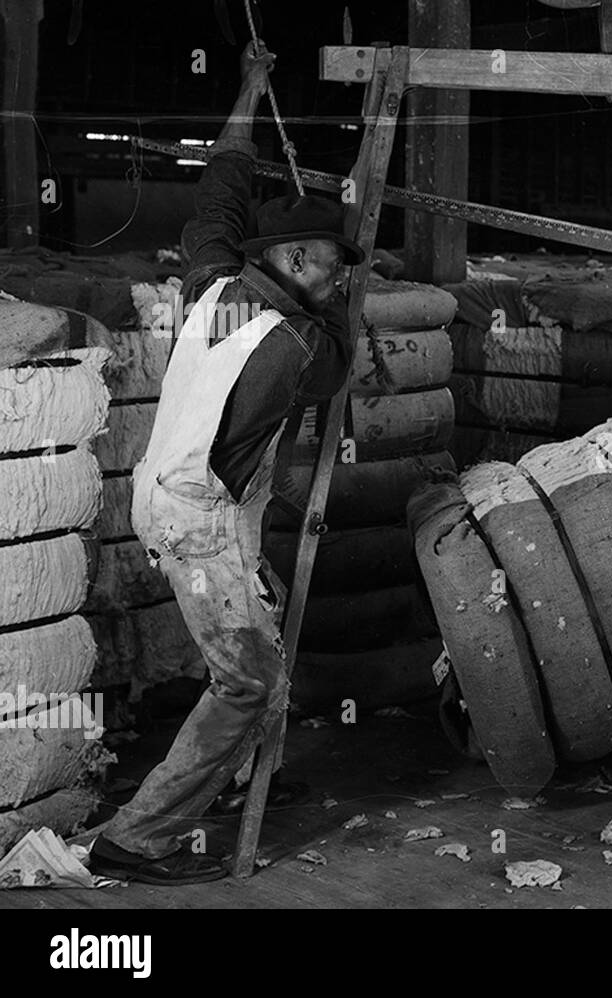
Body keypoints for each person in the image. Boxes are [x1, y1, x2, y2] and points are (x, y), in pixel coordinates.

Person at [88, 42, 363, 885]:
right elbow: (343, 366)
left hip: (175, 496)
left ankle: (244, 781)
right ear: (287, 259)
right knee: (246, 680)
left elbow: (222, 187)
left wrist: (248, 89)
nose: (336, 271)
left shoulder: (212, 279)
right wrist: (356, 292)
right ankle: (140, 838)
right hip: (200, 520)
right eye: (326, 259)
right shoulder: (295, 348)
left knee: (264, 632)